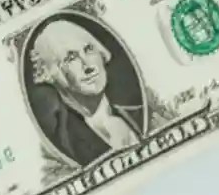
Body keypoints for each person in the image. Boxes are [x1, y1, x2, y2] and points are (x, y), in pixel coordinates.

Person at [28, 19, 144, 166]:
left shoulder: (141, 114)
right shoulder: (66, 147)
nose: (88, 66)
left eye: (89, 49)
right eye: (71, 58)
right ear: (50, 74)